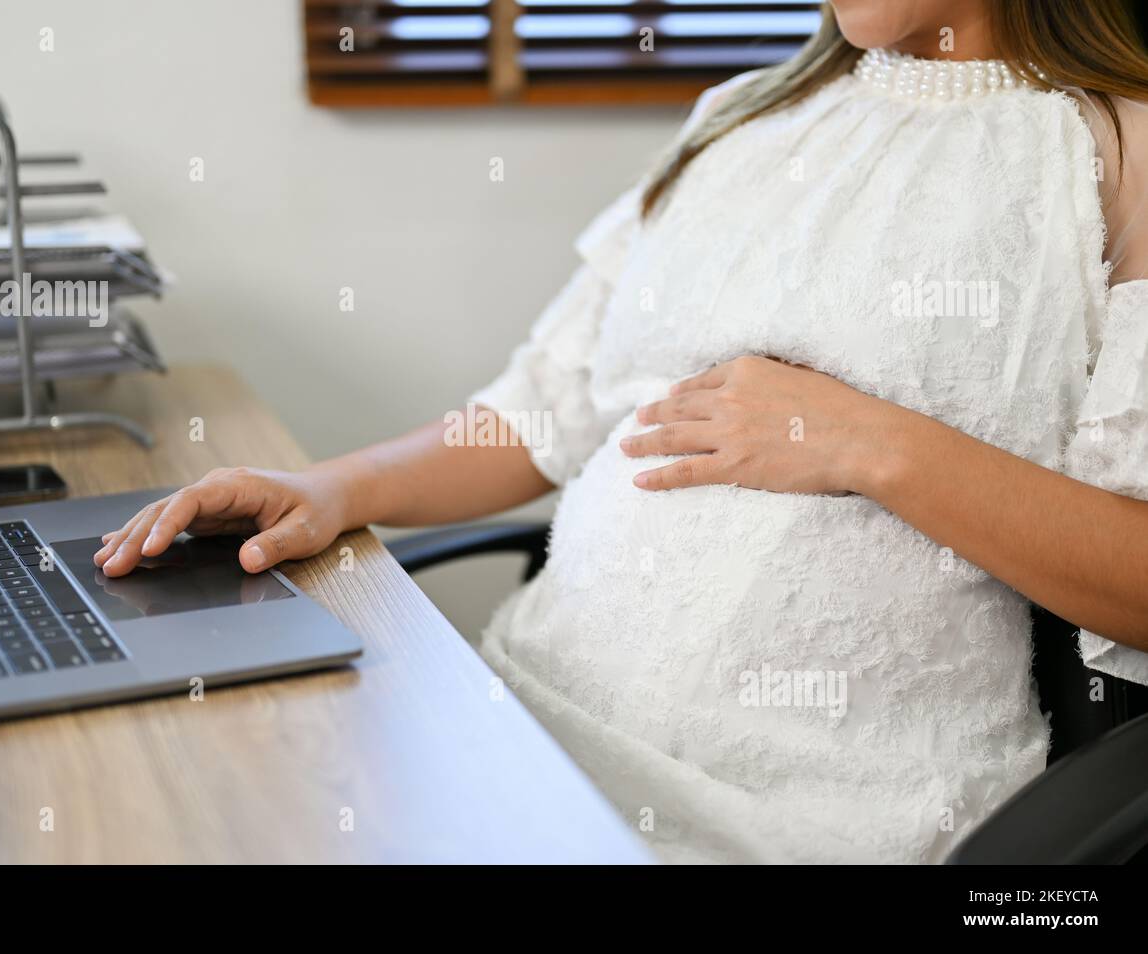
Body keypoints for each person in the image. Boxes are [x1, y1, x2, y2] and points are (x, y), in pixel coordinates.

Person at [95, 0, 1148, 862]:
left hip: (812, 815)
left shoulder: (1119, 147)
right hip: (525, 727)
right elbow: (545, 403)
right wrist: (331, 488)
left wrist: (869, 444)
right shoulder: (743, 118)